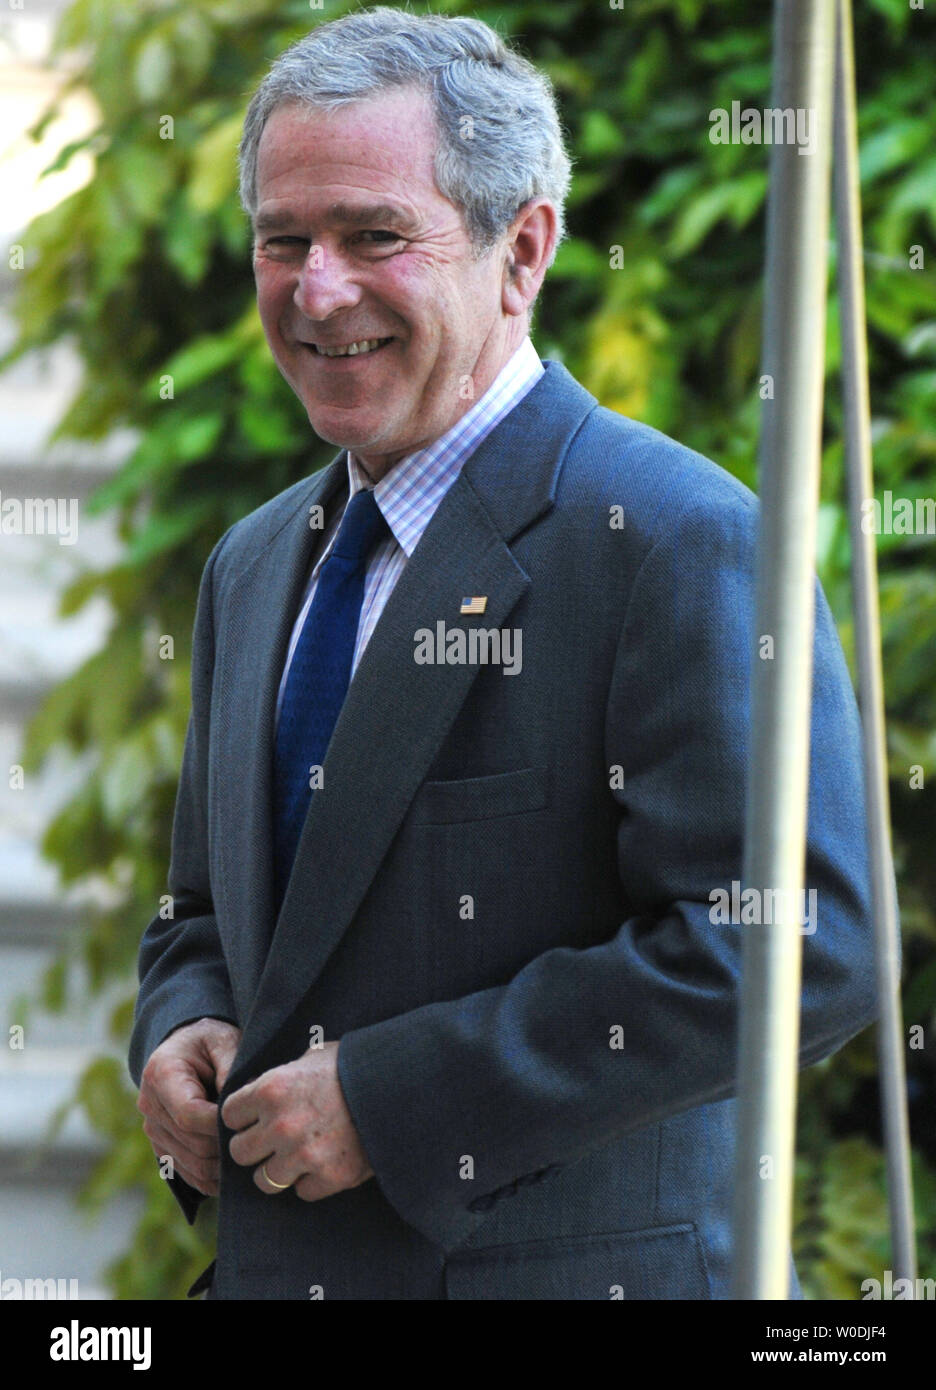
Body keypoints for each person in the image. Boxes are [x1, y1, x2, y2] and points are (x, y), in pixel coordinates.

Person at [129, 7, 877, 1300]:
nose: (316, 289)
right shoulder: (252, 564)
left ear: (522, 249)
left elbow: (795, 945)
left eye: (374, 237)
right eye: (283, 239)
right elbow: (205, 912)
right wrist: (181, 1022)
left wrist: (399, 1099)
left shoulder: (677, 539)